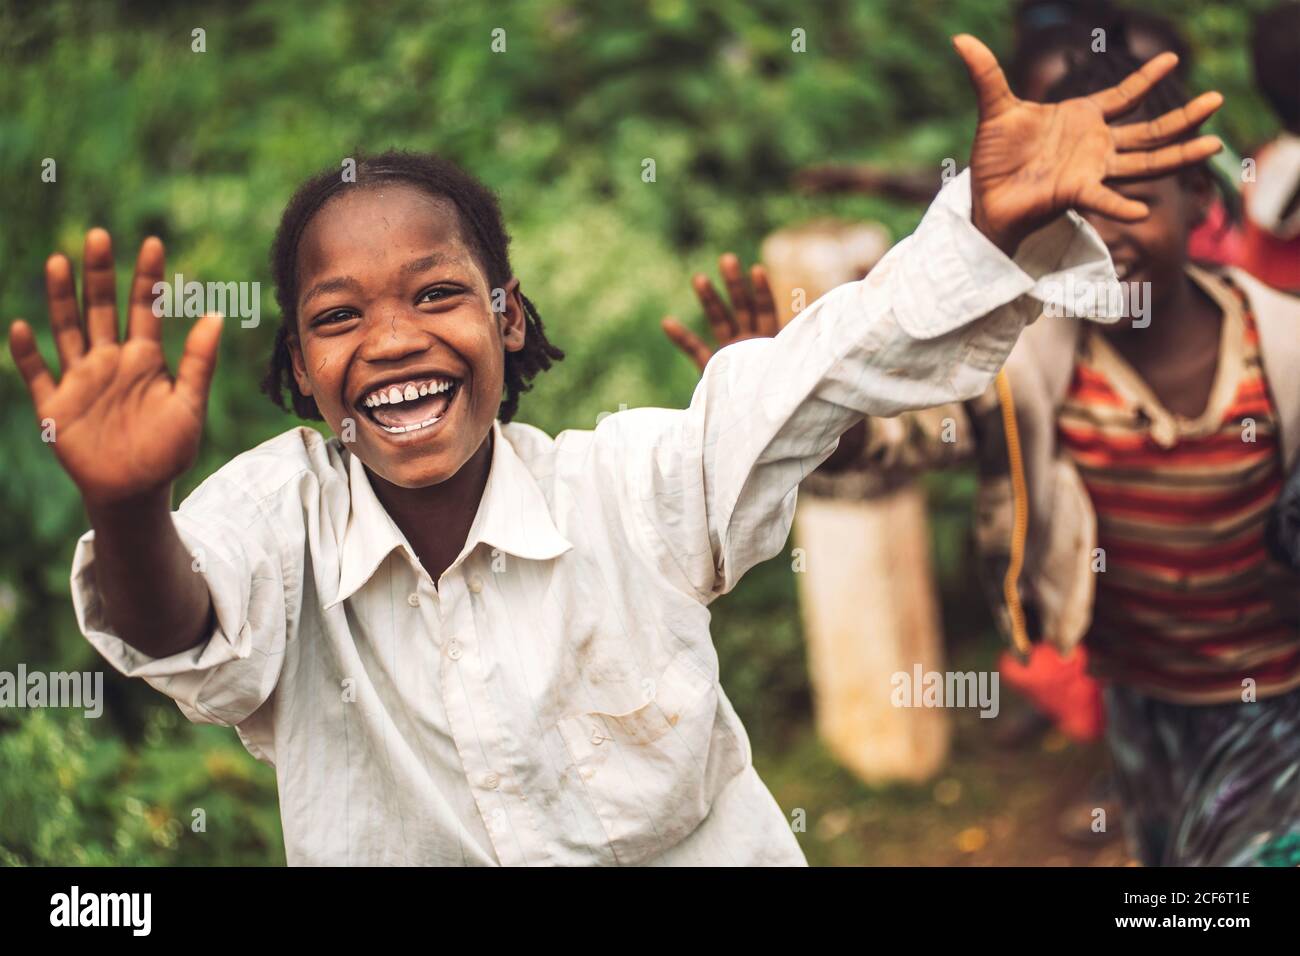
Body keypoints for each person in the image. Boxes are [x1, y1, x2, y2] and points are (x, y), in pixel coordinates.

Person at [8, 38, 1219, 866]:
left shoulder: (630, 485)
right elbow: (184, 634)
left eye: (436, 292)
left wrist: (981, 220)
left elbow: (826, 363)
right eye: (336, 316)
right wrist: (127, 504)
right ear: (299, 372)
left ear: (509, 317)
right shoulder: (278, 511)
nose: (389, 341)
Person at [673, 49, 1297, 867]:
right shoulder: (1027, 364)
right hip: (1138, 701)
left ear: (1199, 198)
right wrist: (791, 396)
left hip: (1279, 700)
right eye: (1080, 213)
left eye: (1132, 200)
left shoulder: (1282, 346)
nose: (1106, 235)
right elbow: (898, 442)